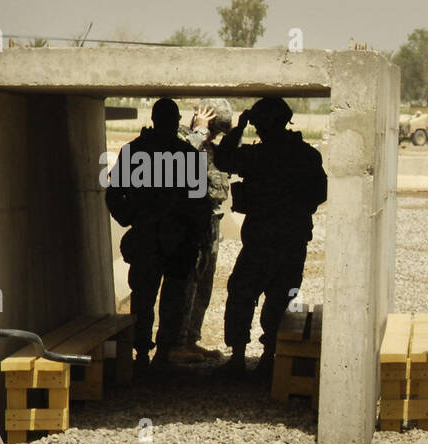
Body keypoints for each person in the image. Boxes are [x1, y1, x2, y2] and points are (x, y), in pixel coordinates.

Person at [214, 97, 328, 383]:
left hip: (261, 241)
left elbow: (223, 158)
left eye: (257, 124)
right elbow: (321, 193)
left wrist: (237, 128)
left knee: (241, 293)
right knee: (279, 299)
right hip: (292, 241)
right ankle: (269, 359)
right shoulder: (307, 155)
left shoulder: (259, 156)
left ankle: (238, 358)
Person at [104, 97, 209, 376]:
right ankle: (162, 354)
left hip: (147, 238)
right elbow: (201, 205)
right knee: (173, 298)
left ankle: (140, 355)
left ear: (153, 119)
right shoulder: (188, 155)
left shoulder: (134, 152)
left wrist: (133, 219)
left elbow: (114, 196)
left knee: (143, 297)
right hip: (178, 241)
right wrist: (197, 238)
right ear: (176, 122)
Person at [173, 98, 233, 363]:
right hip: (189, 226)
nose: (214, 136)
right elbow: (177, 164)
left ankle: (191, 339)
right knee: (186, 283)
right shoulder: (184, 142)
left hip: (210, 225)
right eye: (213, 129)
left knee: (204, 284)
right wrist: (199, 130)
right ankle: (176, 342)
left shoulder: (209, 148)